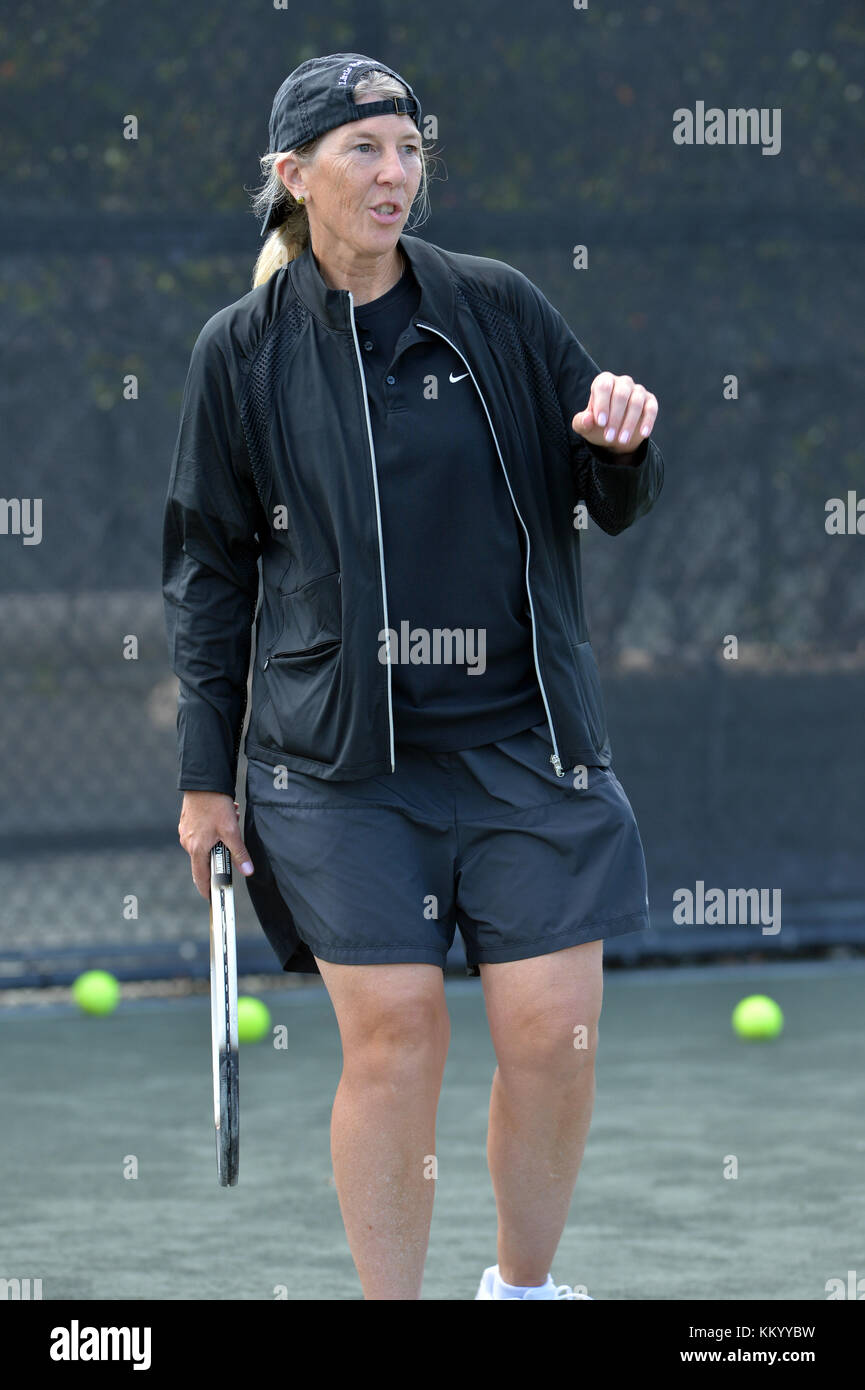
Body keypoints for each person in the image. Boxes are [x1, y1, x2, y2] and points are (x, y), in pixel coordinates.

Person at [162, 52, 664, 1301]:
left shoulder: (495, 306)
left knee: (553, 1038)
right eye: (363, 152)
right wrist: (202, 781)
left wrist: (618, 444)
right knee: (398, 1040)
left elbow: (602, 491)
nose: (396, 175)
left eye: (408, 148)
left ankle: (523, 1291)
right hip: (337, 768)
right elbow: (209, 575)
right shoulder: (239, 354)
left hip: (521, 746)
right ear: (294, 176)